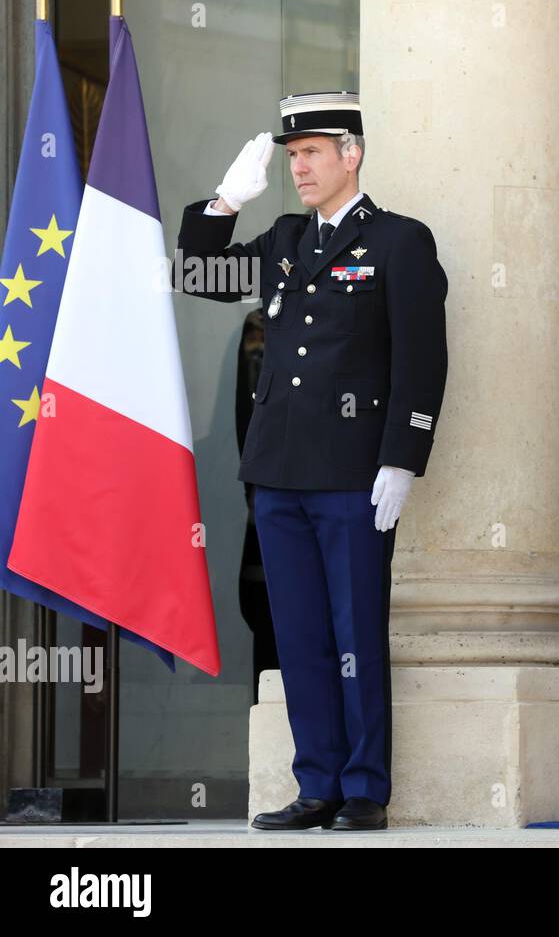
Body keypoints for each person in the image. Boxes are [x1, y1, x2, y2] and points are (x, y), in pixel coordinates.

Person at [175, 91, 449, 831]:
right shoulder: (285, 237)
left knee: (356, 631)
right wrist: (226, 201)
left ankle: (364, 787)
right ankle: (317, 781)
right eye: (292, 156)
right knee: (298, 633)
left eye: (312, 154)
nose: (298, 168)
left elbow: (422, 363)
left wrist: (403, 457)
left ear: (350, 155)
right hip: (279, 471)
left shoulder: (399, 242)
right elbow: (198, 274)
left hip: (354, 471)